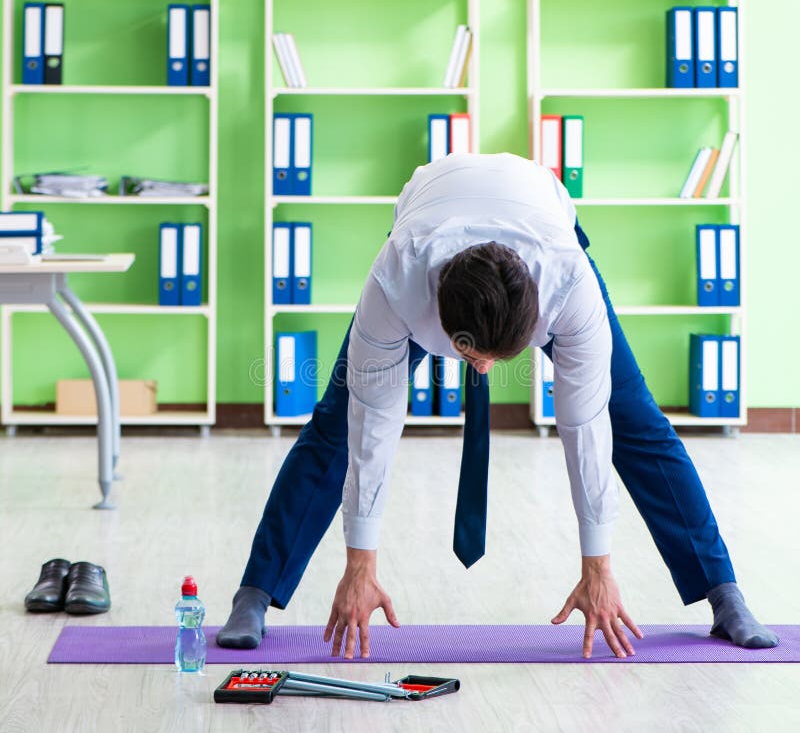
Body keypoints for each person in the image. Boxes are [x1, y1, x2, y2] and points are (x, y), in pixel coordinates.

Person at [218, 152, 777, 659]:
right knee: (336, 425)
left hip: (541, 217)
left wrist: (598, 565)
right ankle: (255, 593)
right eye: (473, 356)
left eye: (497, 359)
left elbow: (585, 425)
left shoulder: (567, 288)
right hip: (428, 214)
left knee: (635, 420)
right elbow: (373, 426)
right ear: (438, 319)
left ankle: (723, 593)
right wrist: (360, 563)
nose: (481, 370)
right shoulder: (397, 285)